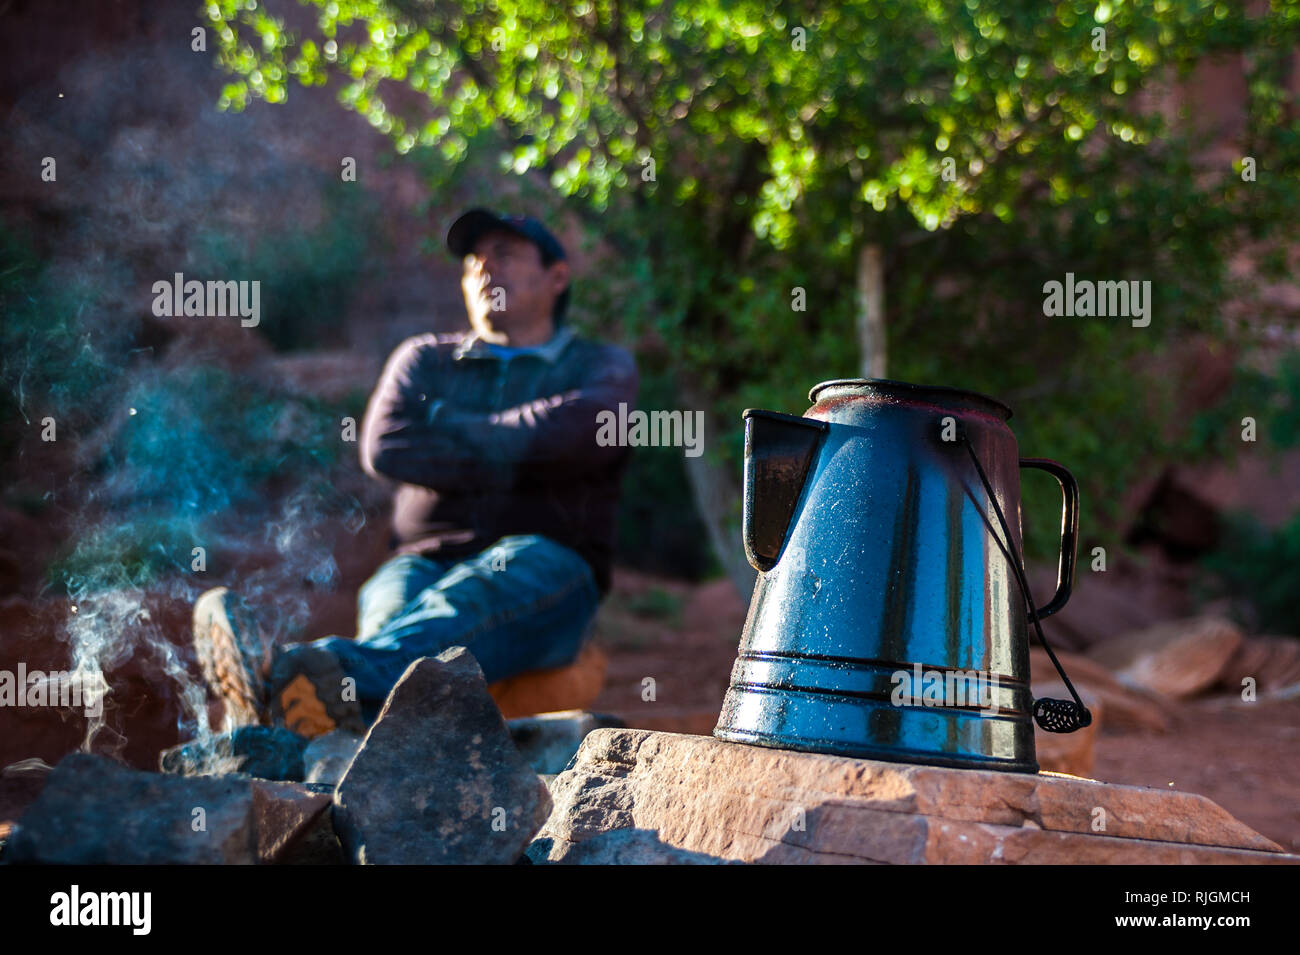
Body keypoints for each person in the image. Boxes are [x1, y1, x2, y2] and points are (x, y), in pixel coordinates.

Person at [192, 208, 639, 738]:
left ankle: (285, 676)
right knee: (393, 610)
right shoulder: (424, 359)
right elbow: (386, 447)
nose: (483, 270)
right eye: (473, 261)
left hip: (548, 569)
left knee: (487, 583)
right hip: (418, 563)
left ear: (557, 276)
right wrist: (521, 448)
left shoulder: (600, 365)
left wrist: (445, 423)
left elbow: (580, 435)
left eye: (505, 255)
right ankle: (316, 722)